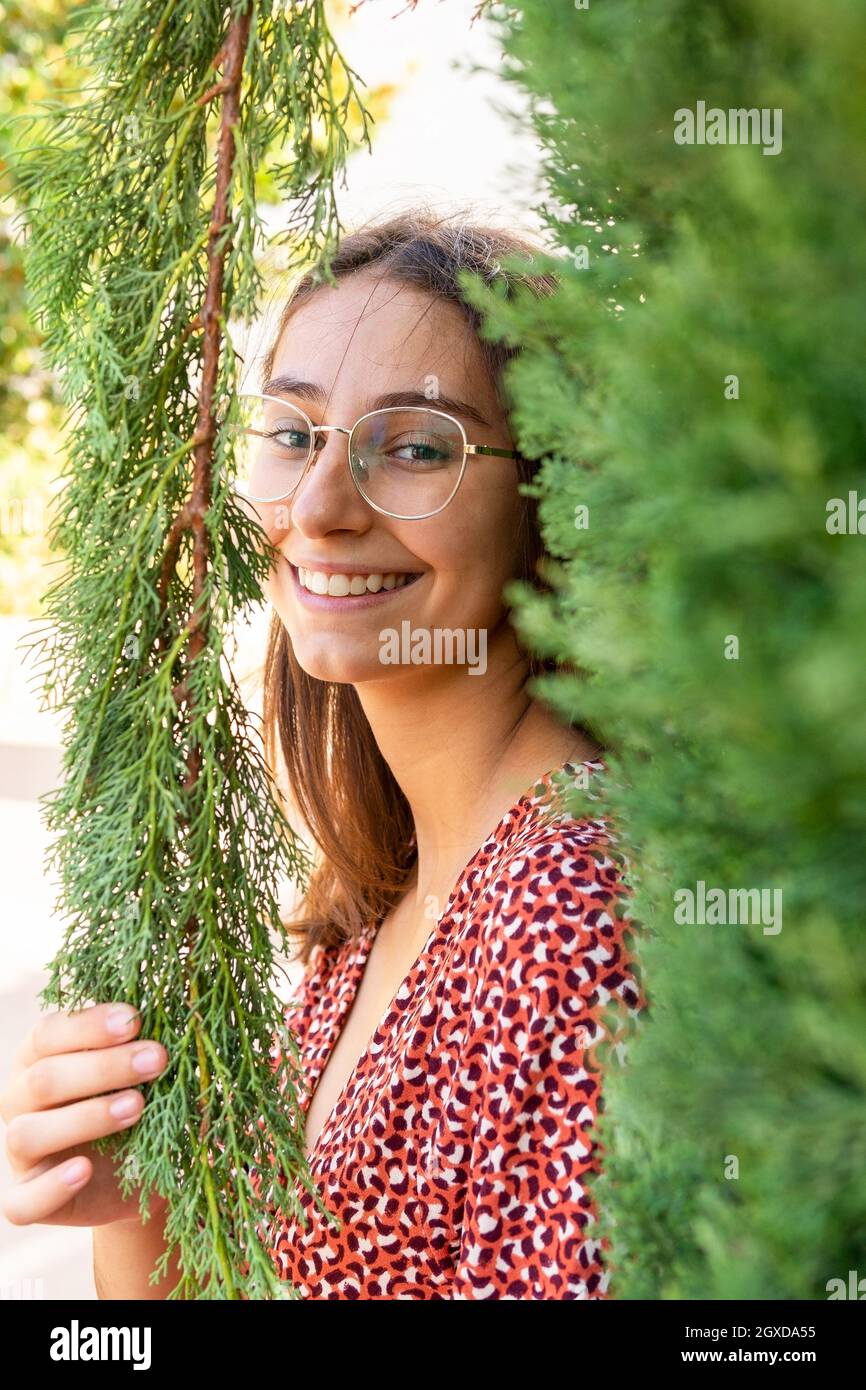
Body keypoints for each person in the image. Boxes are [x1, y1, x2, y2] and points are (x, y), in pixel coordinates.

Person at [0, 209, 643, 1299]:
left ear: (549, 495)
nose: (318, 507)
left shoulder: (567, 907)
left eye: (415, 447)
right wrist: (140, 1203)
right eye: (294, 433)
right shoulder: (379, 904)